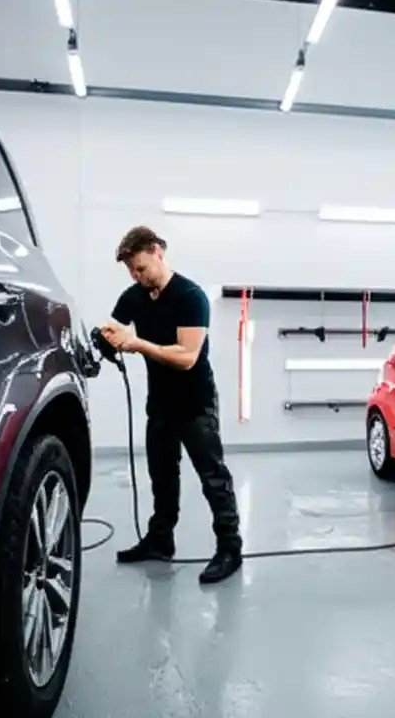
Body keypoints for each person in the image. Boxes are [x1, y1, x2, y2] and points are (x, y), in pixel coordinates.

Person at [98, 226, 244, 583]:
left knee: (213, 478)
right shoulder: (134, 296)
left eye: (141, 268)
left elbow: (188, 357)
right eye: (131, 270)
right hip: (159, 404)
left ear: (158, 252)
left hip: (196, 404)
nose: (137, 276)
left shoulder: (191, 296)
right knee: (162, 477)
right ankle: (160, 540)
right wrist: (102, 341)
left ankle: (230, 548)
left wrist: (137, 344)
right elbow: (113, 331)